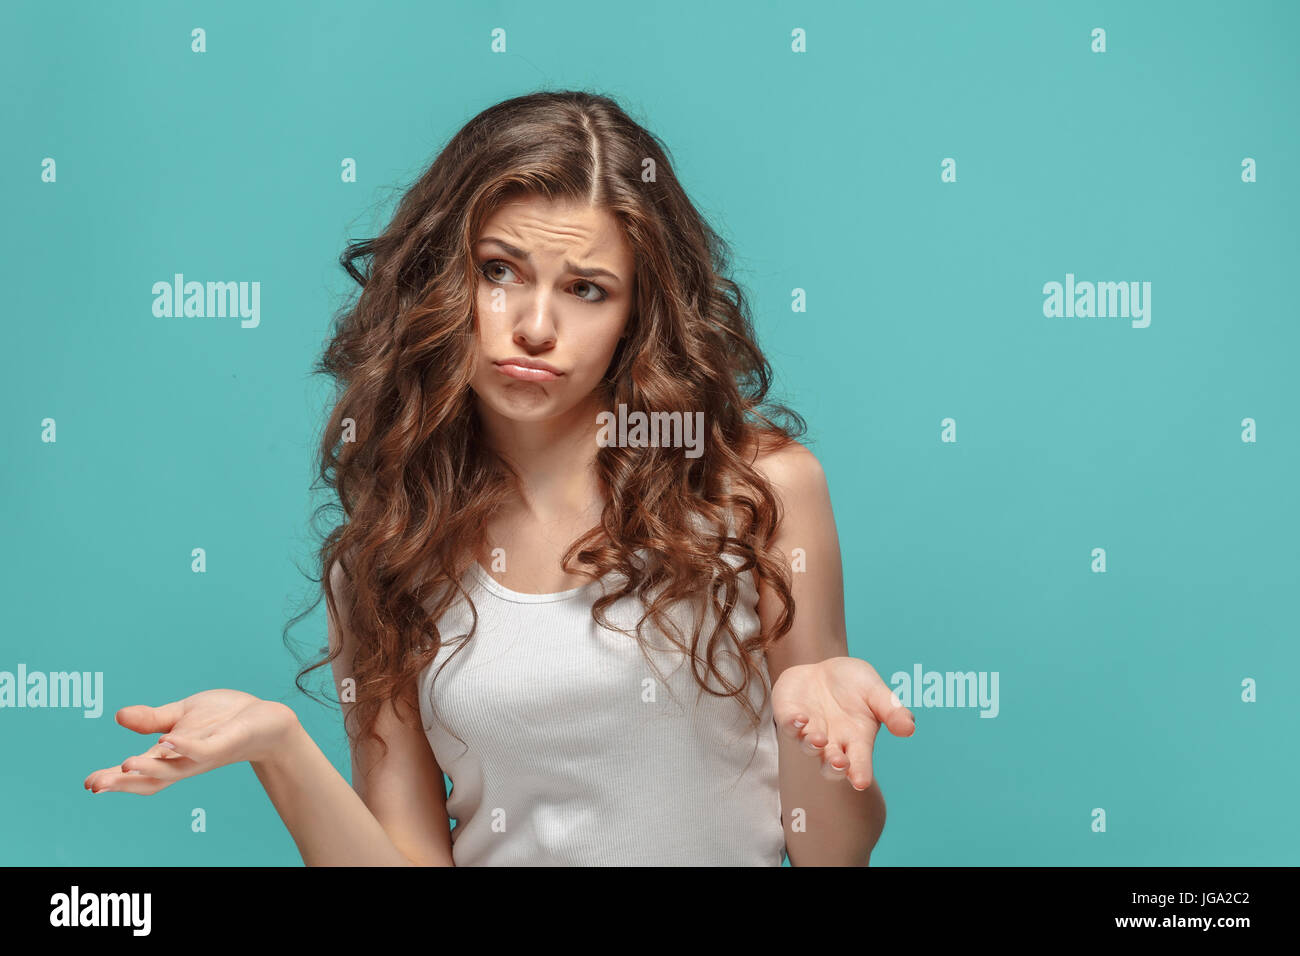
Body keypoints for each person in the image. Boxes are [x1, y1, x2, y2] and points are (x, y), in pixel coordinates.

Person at [83, 90, 916, 866]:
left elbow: (832, 852)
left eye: (588, 289)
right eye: (499, 271)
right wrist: (278, 746)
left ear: (637, 315)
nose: (536, 327)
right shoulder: (384, 554)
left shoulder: (756, 491)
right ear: (440, 279)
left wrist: (810, 709)